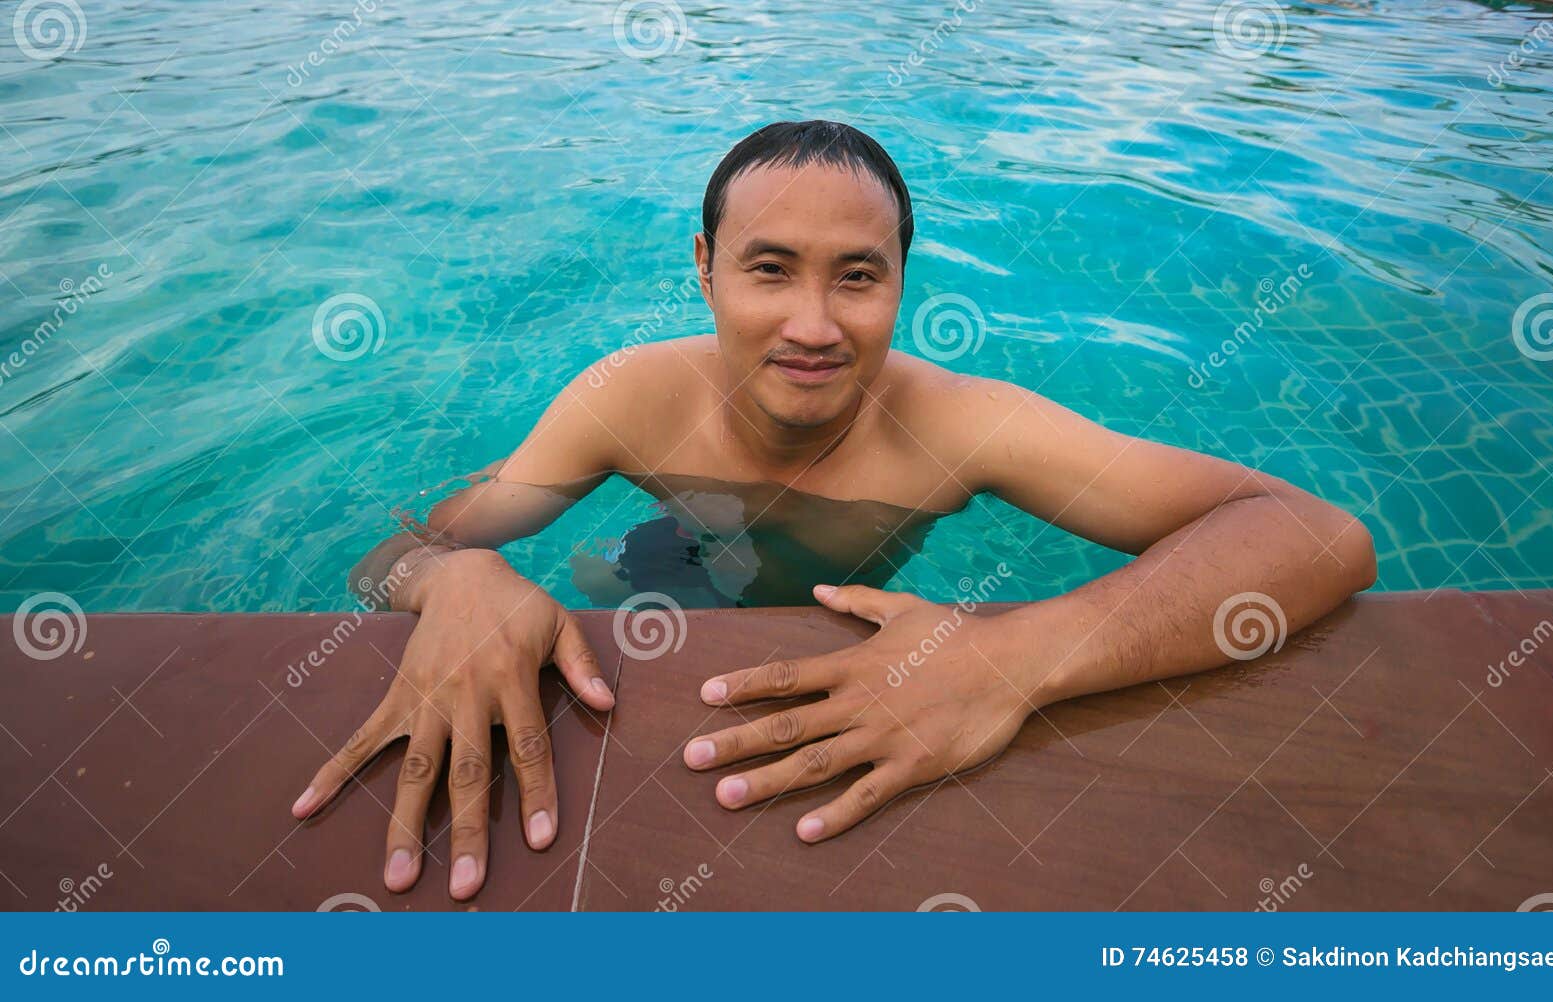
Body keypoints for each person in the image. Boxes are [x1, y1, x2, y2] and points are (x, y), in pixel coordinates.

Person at [290, 120, 1377, 901]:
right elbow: (402, 550)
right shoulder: (625, 398)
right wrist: (454, 579)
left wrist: (1017, 654)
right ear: (705, 269)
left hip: (826, 590)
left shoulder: (964, 428)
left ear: (902, 281)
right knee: (599, 589)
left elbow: (1318, 535)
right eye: (770, 269)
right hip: (680, 552)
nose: (813, 325)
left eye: (856, 277)